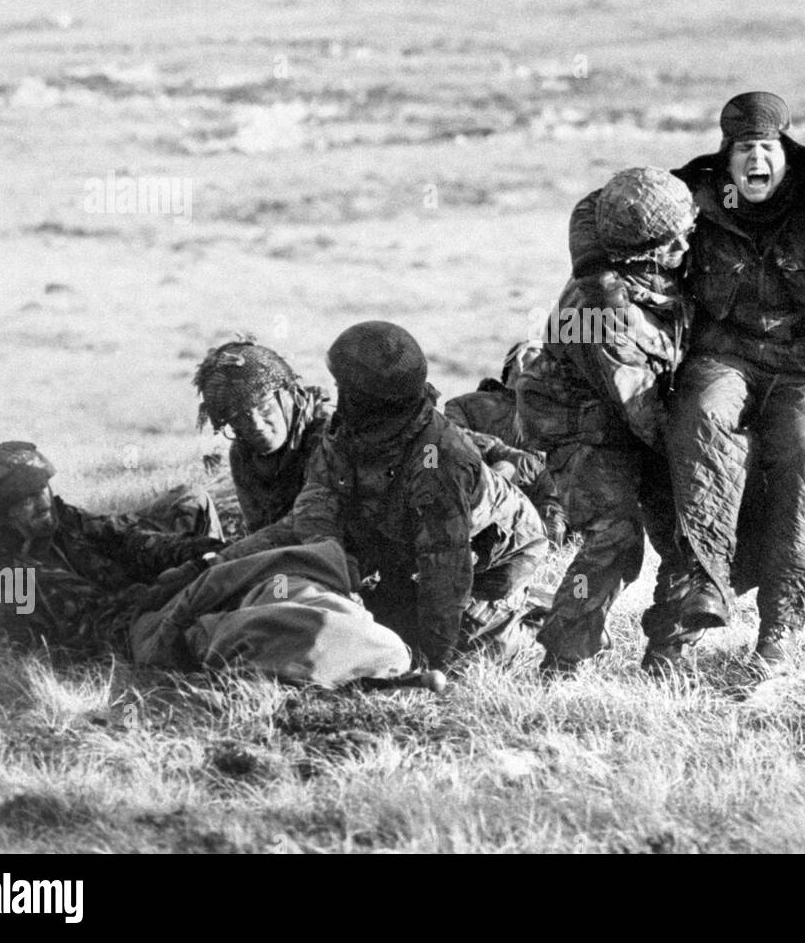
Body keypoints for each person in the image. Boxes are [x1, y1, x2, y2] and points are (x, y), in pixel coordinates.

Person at [664, 91, 805, 669]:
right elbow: (626, 234)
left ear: (786, 151)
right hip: (727, 357)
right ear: (726, 155)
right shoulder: (691, 198)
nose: (755, 160)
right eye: (743, 148)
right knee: (701, 415)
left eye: (766, 147)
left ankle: (782, 620)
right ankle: (705, 581)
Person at [516, 167, 698, 675]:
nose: (687, 245)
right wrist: (699, 457)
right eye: (672, 242)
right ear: (638, 252)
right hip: (581, 426)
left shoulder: (665, 266)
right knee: (614, 540)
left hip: (642, 416)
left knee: (692, 530)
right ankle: (563, 659)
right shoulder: (597, 312)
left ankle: (670, 654)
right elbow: (637, 403)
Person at [292, 321, 549, 673]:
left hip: (498, 555)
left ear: (369, 400)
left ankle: (534, 620)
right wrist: (328, 561)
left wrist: (433, 667)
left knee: (461, 653)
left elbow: (445, 575)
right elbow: (318, 496)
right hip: (408, 538)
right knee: (377, 621)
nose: (338, 394)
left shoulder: (438, 460)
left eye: (345, 388)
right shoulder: (348, 431)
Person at [0, 441, 223, 656]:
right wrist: (188, 575)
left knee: (190, 499)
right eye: (26, 500)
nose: (43, 502)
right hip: (125, 623)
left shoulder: (57, 518)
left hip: (136, 591)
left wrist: (204, 550)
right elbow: (101, 621)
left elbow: (126, 538)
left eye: (42, 488)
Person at [129, 539, 442, 690]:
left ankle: (339, 661)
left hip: (284, 597)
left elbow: (206, 589)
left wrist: (165, 639)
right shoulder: (279, 559)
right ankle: (355, 664)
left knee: (279, 615)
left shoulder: (267, 564)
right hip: (300, 604)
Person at [194, 337, 331, 535]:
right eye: (239, 417)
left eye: (264, 407)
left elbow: (314, 526)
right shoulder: (243, 455)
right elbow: (258, 529)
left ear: (289, 395)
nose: (256, 424)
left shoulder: (331, 436)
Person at [445, 341, 567, 547]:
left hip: (520, 525)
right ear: (519, 361)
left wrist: (550, 535)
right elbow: (449, 441)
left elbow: (556, 493)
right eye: (542, 360)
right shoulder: (466, 405)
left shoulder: (558, 420)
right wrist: (500, 451)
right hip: (472, 495)